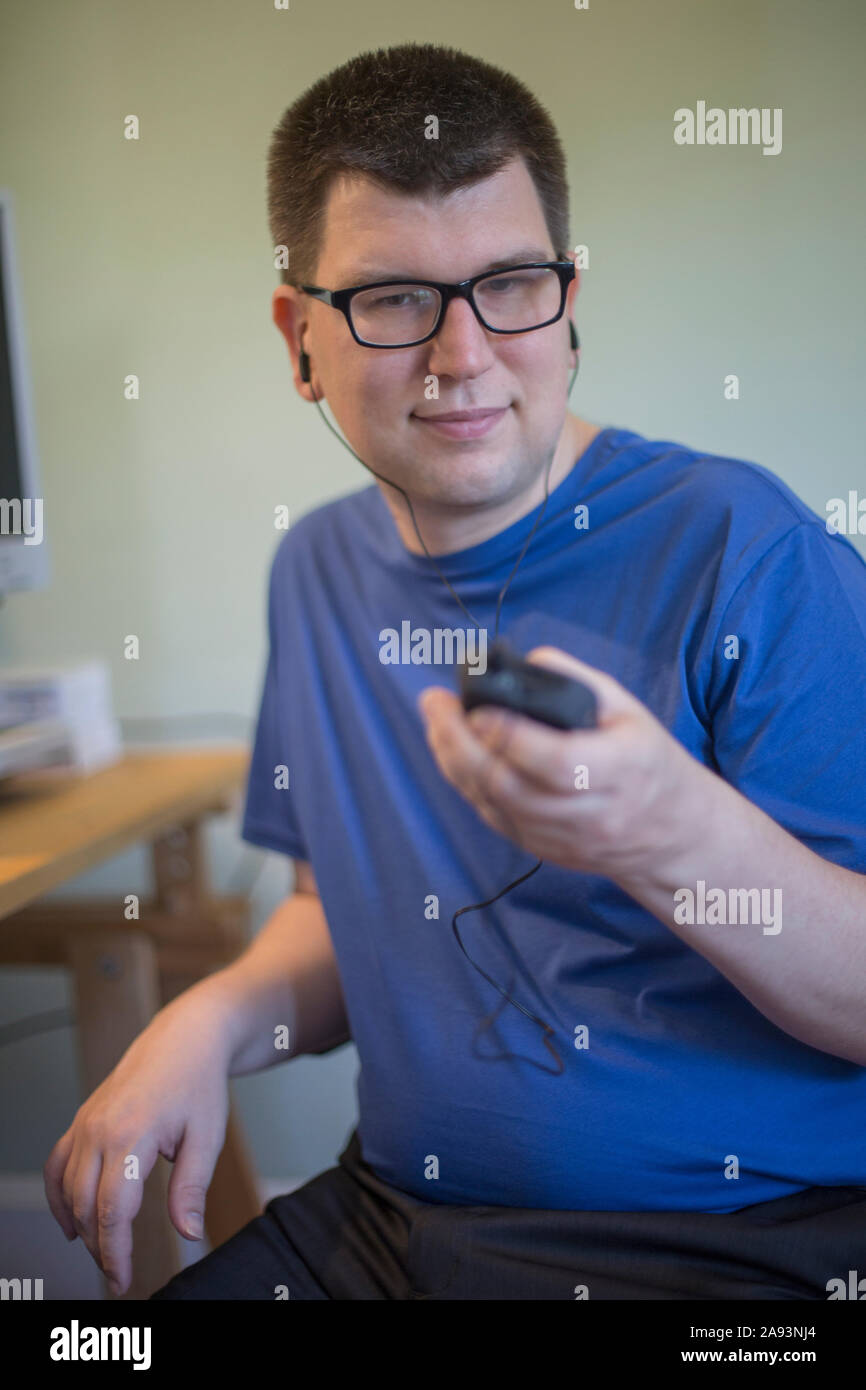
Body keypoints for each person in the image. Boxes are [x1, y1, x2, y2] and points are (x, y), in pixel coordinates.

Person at [45, 43, 866, 1302]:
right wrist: (201, 1024)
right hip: (399, 1221)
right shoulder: (313, 568)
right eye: (391, 300)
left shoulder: (745, 547)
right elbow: (336, 915)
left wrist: (669, 832)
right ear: (299, 336)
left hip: (748, 1247)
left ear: (568, 293)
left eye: (509, 284)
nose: (463, 354)